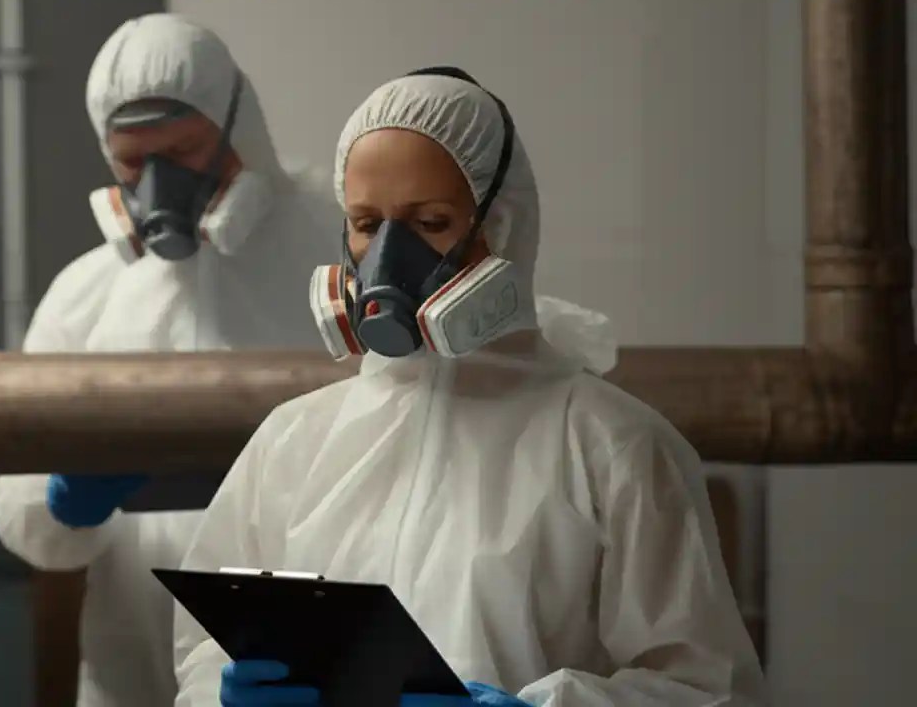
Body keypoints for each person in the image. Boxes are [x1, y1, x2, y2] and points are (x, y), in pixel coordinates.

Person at [173, 68, 767, 706]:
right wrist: (223, 695)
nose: (387, 260)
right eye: (367, 224)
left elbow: (708, 690)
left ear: (505, 227)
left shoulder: (611, 447)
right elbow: (204, 647)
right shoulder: (294, 441)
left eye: (430, 222)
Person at [0, 14, 341, 707]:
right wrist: (65, 502)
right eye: (133, 163)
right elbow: (24, 520)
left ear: (240, 128)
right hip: (132, 667)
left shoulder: (338, 255)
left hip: (311, 656)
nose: (159, 186)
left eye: (182, 152)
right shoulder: (87, 295)